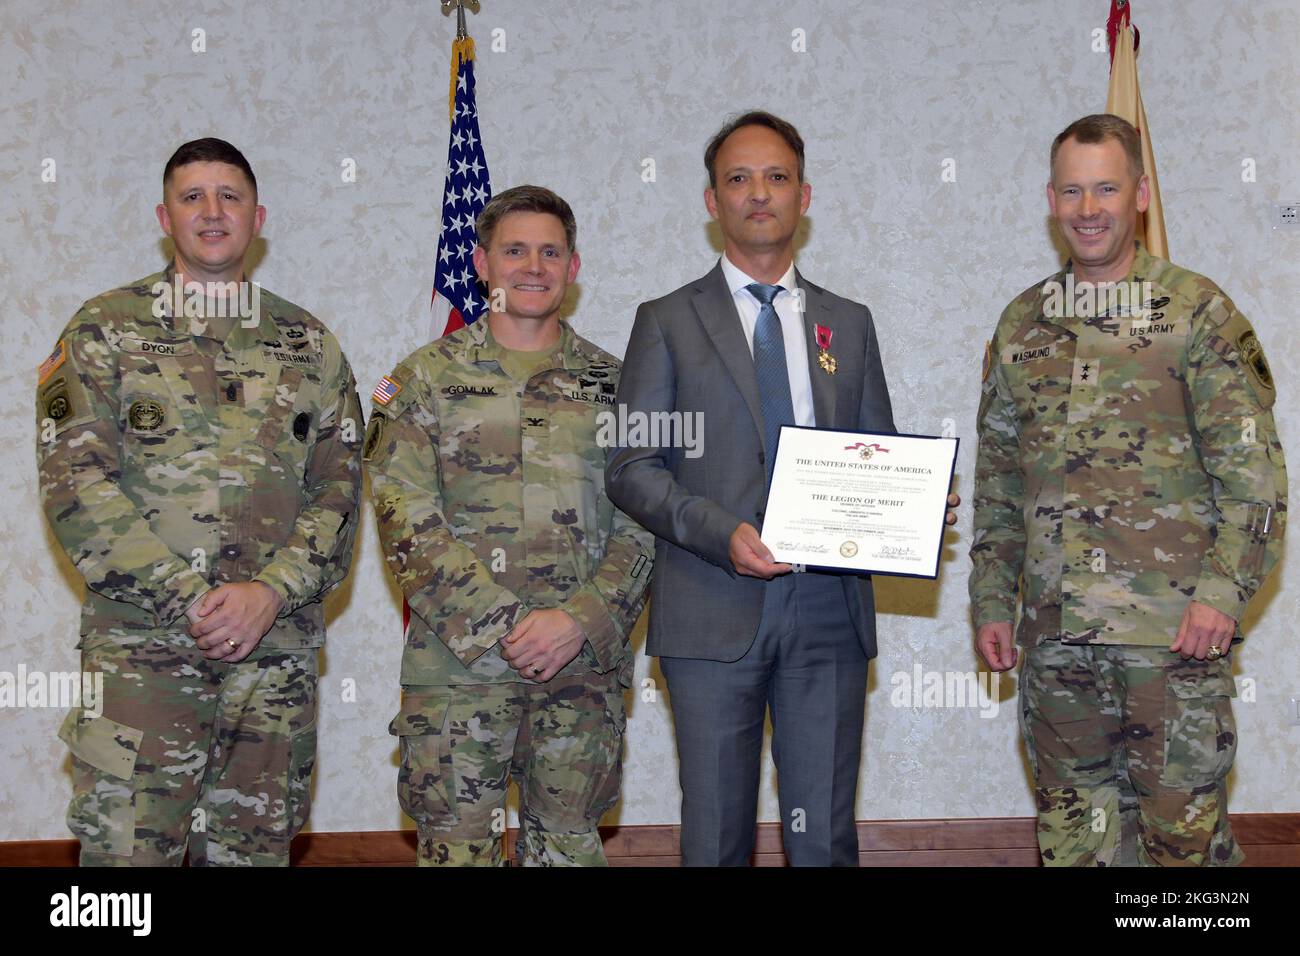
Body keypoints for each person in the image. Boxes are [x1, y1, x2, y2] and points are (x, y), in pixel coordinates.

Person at [606, 111, 957, 866]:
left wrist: (917, 504)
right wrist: (721, 532)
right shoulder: (666, 322)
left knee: (824, 836)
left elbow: (875, 450)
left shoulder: (849, 324)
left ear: (804, 195)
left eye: (776, 177)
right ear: (712, 202)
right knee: (716, 835)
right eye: (738, 178)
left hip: (828, 612)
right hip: (710, 609)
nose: (758, 193)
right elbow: (631, 468)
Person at [970, 113, 1287, 866]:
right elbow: (999, 480)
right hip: (1055, 644)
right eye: (1073, 191)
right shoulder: (1023, 323)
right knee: (1075, 842)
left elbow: (1256, 478)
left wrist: (1222, 592)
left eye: (1106, 188)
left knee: (1181, 848)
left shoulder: (1197, 312)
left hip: (1170, 639)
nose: (1089, 209)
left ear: (1140, 193)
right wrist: (990, 599)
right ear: (1051, 199)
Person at [36, 138, 363, 866]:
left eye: (230, 197)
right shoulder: (103, 331)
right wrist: (191, 596)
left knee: (253, 853)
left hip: (271, 660)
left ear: (258, 217)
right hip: (141, 660)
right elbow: (77, 488)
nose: (212, 213)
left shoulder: (311, 346)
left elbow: (340, 489)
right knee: (123, 871)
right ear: (165, 216)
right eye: (193, 197)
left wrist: (268, 594)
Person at [367, 185, 654, 866]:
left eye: (550, 251)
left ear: (573, 267)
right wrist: (506, 627)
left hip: (580, 668)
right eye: (516, 250)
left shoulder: (622, 386)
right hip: (459, 672)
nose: (534, 265)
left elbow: (644, 526)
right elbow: (403, 518)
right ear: (481, 263)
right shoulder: (421, 381)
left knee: (568, 848)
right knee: (458, 852)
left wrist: (577, 620)